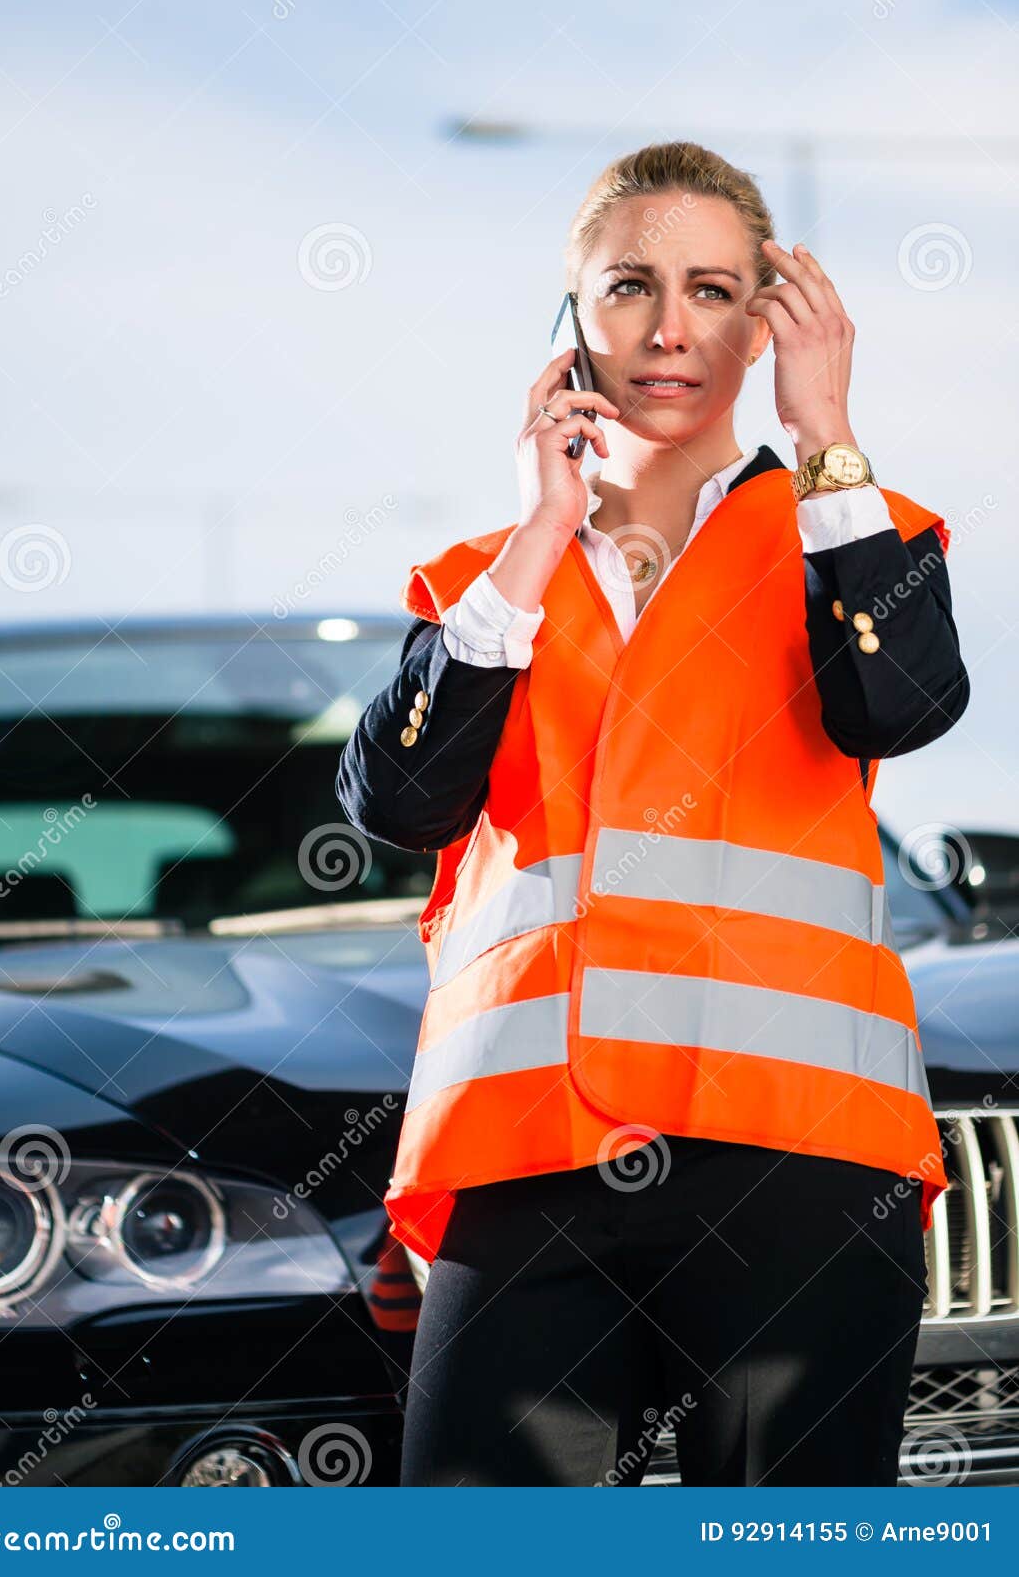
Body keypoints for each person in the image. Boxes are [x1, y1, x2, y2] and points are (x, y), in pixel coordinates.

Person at [336, 141, 969, 1487]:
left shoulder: (855, 534)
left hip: (796, 1153)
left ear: (770, 318)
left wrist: (826, 439)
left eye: (714, 288)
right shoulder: (482, 586)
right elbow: (397, 798)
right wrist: (537, 534)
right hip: (528, 1158)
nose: (671, 327)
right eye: (629, 285)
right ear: (571, 318)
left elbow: (899, 704)